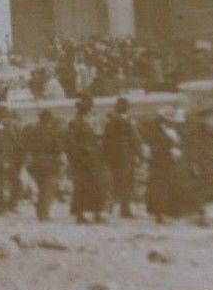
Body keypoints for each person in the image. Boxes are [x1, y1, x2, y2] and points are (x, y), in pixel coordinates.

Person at [66, 96, 109, 224]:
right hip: (82, 162)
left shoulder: (88, 122)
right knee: (82, 188)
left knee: (97, 186)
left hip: (94, 160)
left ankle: (96, 212)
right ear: (86, 111)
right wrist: (85, 149)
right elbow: (72, 143)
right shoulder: (75, 123)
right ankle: (81, 214)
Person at [102, 97, 143, 218]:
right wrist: (139, 155)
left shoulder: (110, 123)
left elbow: (106, 142)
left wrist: (107, 158)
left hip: (114, 159)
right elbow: (136, 141)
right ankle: (124, 209)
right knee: (127, 183)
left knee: (116, 182)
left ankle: (110, 208)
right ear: (128, 109)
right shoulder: (129, 123)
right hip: (126, 158)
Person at [22, 110, 65, 222]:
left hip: (35, 163)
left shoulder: (32, 130)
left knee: (41, 188)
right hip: (49, 163)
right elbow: (58, 148)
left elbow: (26, 146)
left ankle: (40, 212)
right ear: (49, 119)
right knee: (47, 189)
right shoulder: (52, 132)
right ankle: (44, 214)